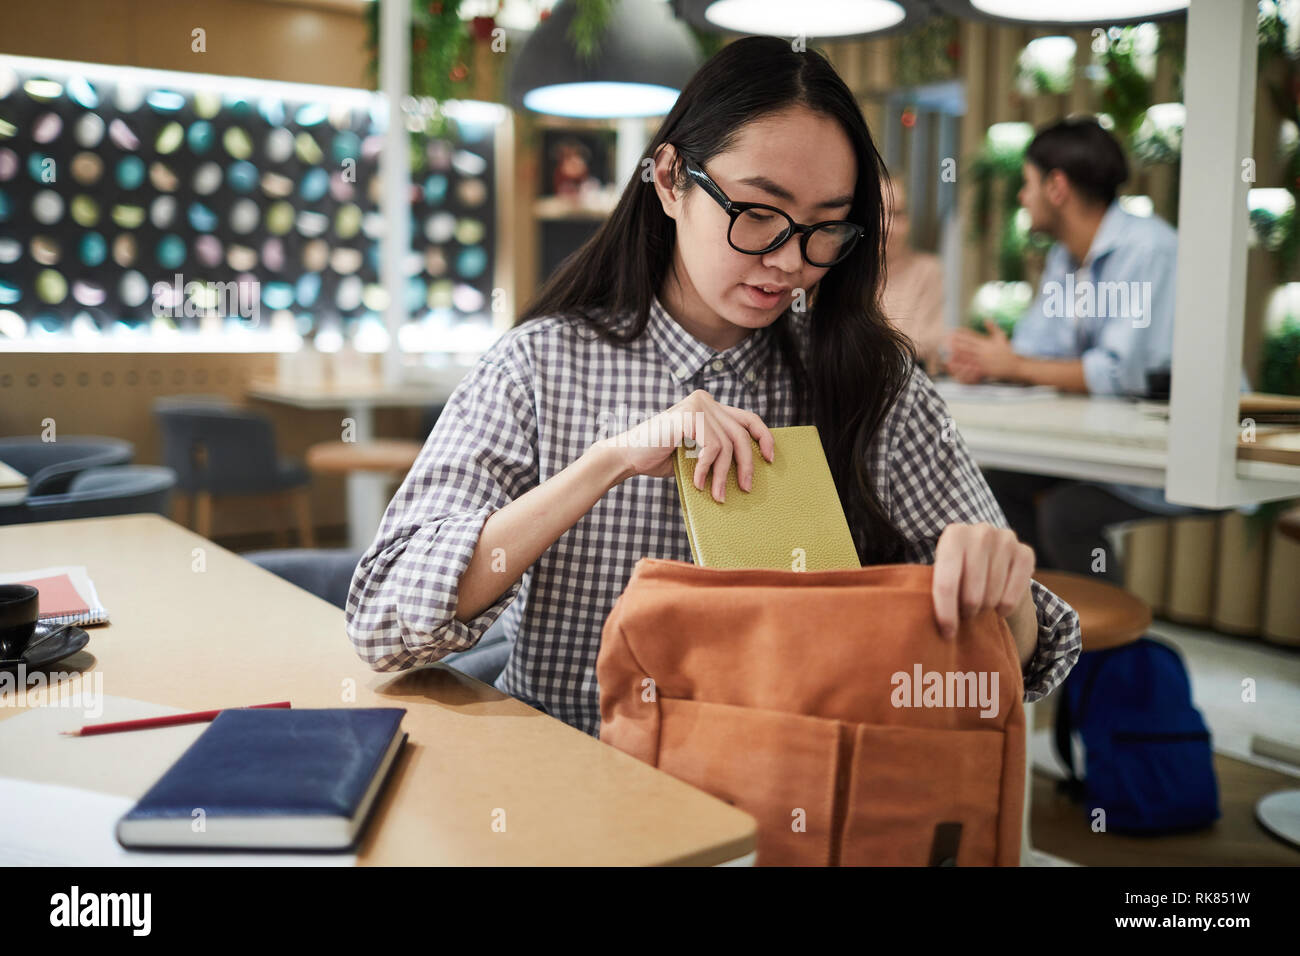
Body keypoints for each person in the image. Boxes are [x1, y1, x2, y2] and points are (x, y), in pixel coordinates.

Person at [344, 37, 1080, 737]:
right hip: (574, 788)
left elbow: (1031, 658)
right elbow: (384, 621)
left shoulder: (871, 382)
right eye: (758, 214)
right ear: (669, 181)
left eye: (825, 227)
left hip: (791, 791)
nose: (791, 260)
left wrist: (1003, 594)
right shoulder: (540, 366)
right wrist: (608, 461)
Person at [945, 117, 1204, 582]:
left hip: (1184, 449)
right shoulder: (1066, 256)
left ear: (1057, 186)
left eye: (1027, 184)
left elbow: (1118, 373)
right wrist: (995, 365)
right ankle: (1042, 626)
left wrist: (1017, 365)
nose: (1023, 198)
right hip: (1110, 443)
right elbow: (1037, 350)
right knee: (995, 485)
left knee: (1068, 515)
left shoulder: (1150, 250)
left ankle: (1106, 650)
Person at [881, 177, 945, 374]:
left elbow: (929, 345)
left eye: (897, 214)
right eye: (879, 213)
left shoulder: (928, 270)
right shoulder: (843, 273)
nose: (888, 226)